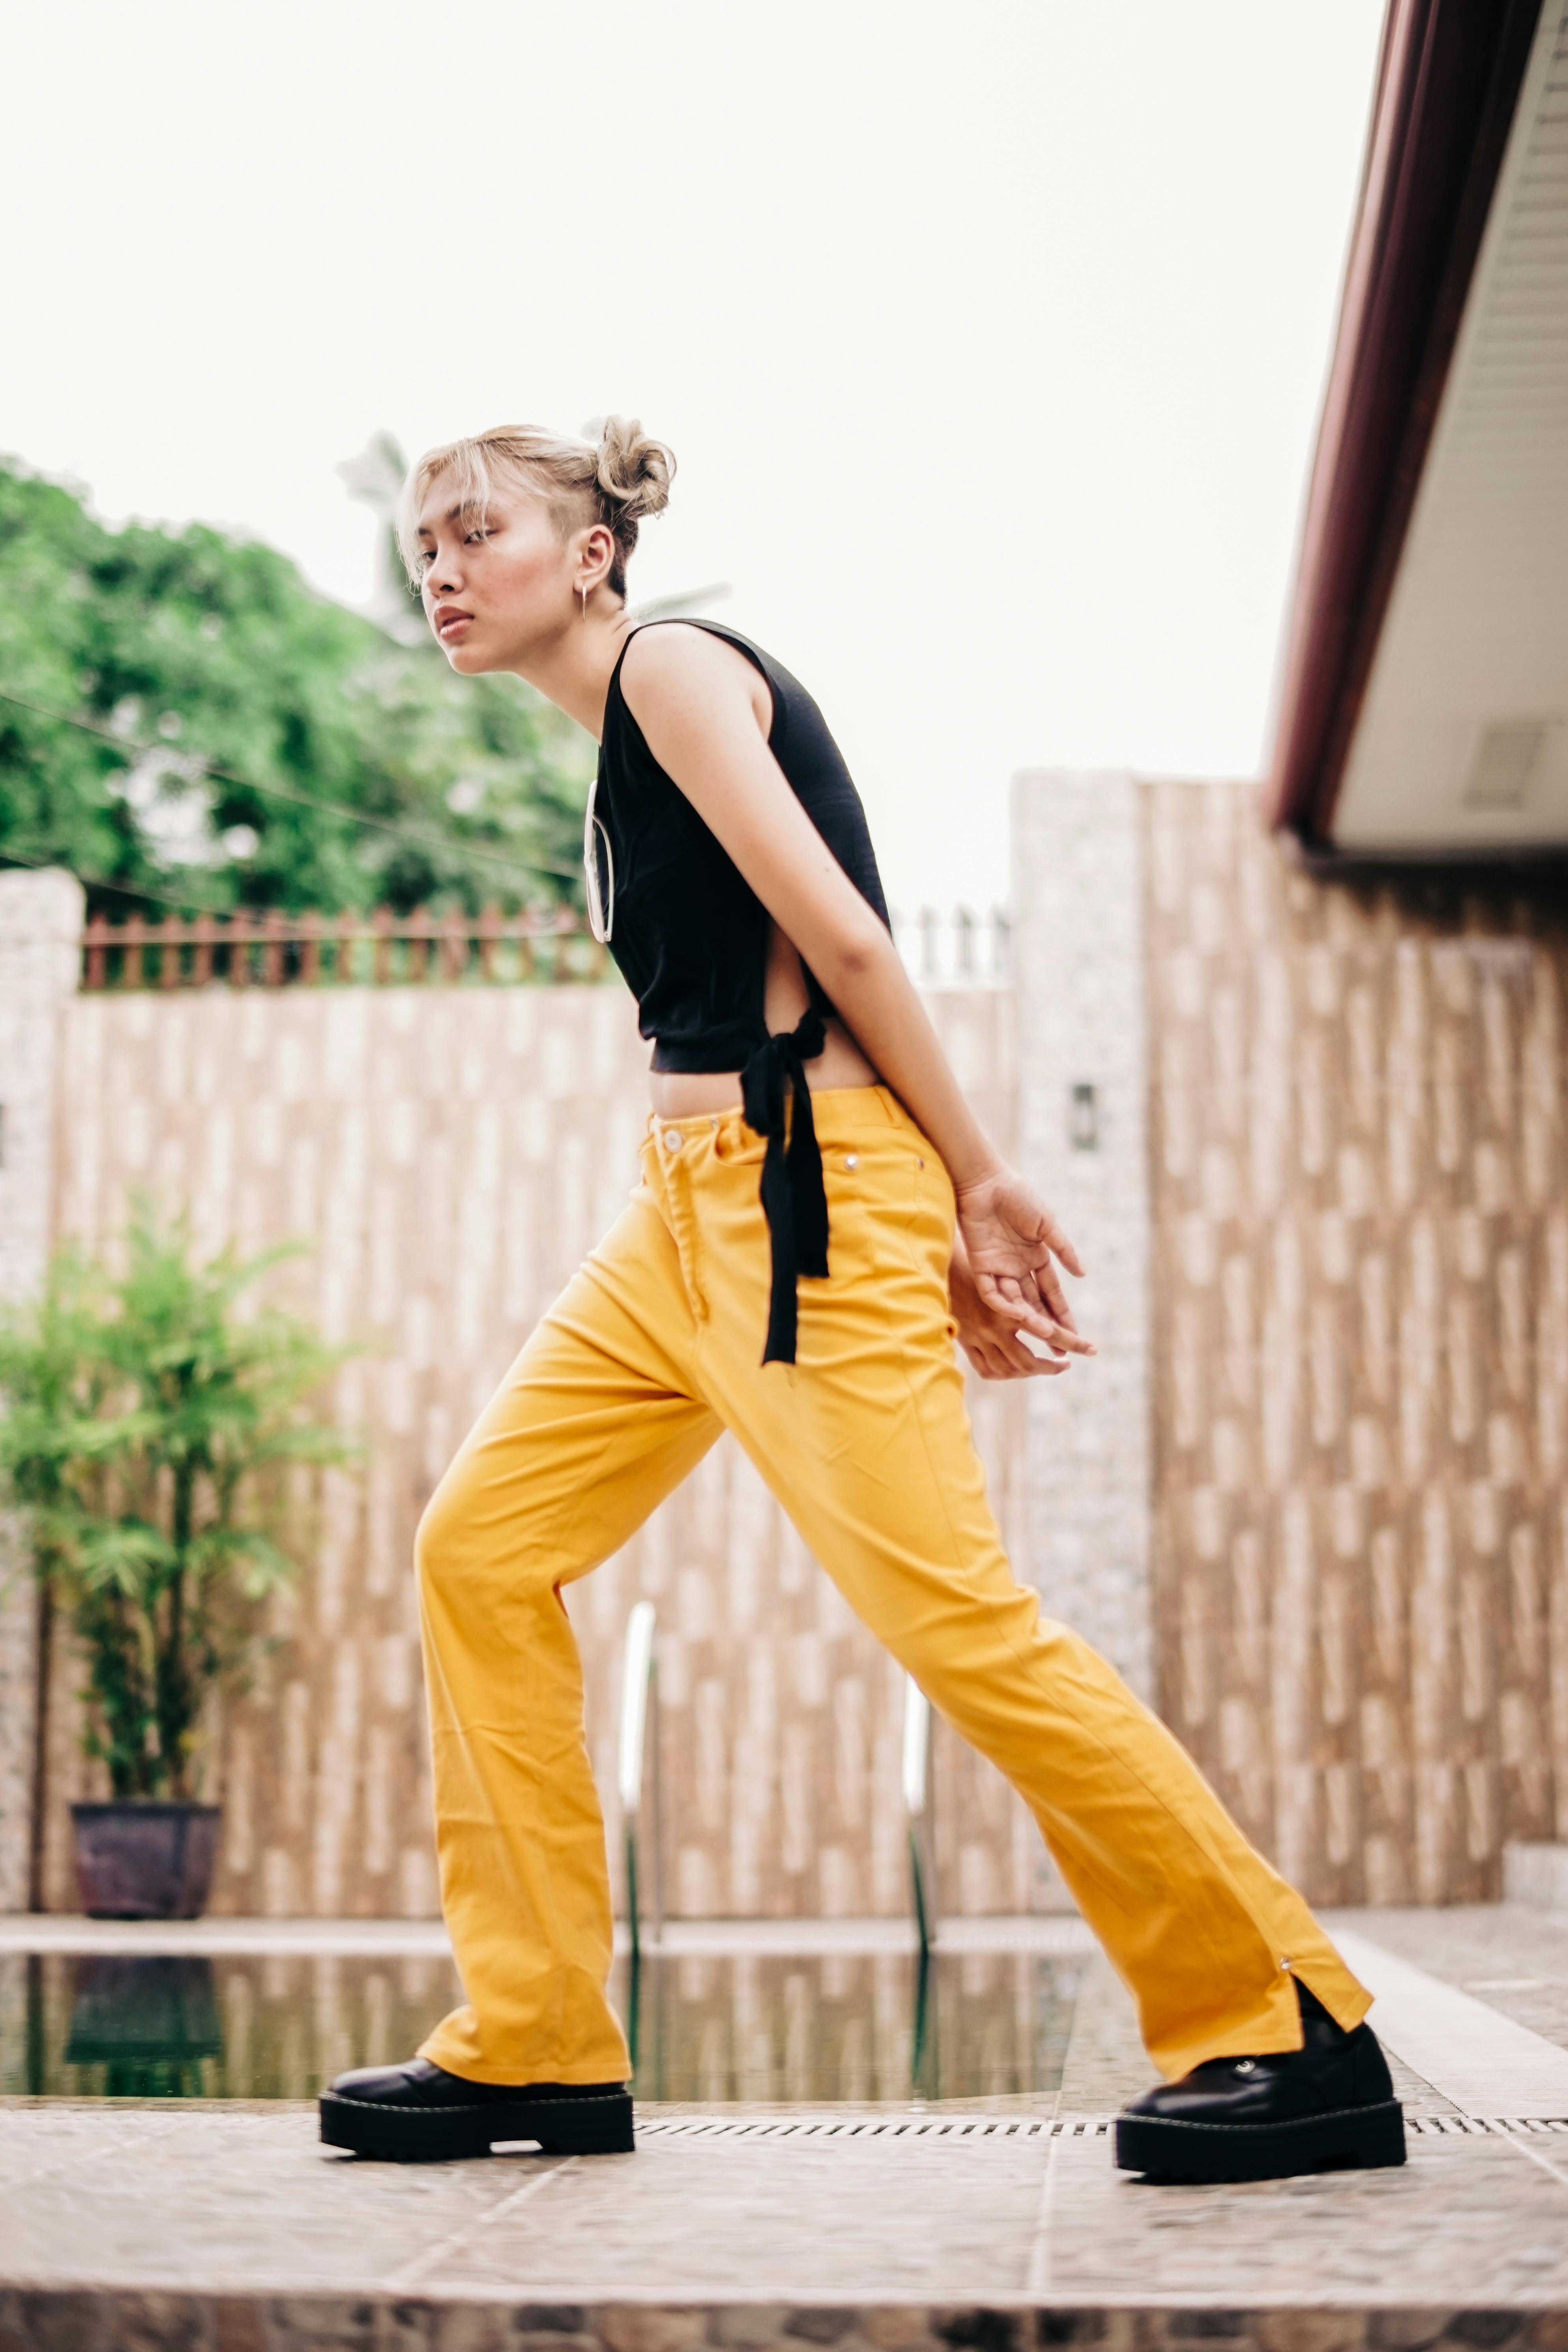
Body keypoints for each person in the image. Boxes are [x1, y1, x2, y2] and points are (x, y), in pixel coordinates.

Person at [319, 420, 1403, 2185]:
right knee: (479, 1549)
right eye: (420, 544)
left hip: (793, 1202)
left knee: (958, 1622)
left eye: (474, 531)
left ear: (588, 554)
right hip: (679, 1223)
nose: (433, 567)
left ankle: (1289, 2025)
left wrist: (972, 1184)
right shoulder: (611, 742)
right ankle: (533, 2045)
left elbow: (847, 944)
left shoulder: (672, 669)